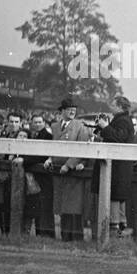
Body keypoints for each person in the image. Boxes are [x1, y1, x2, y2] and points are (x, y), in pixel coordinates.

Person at [44, 97, 92, 241]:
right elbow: (52, 146)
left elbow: (82, 149)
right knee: (62, 206)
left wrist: (69, 164)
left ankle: (75, 237)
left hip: (73, 173)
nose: (72, 112)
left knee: (74, 207)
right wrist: (49, 158)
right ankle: (64, 237)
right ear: (62, 111)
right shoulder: (54, 126)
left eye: (74, 109)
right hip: (58, 172)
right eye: (69, 109)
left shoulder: (80, 126)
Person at [93, 96, 135, 238]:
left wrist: (105, 127)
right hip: (119, 166)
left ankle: (114, 230)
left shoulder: (123, 120)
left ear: (119, 106)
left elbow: (118, 138)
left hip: (118, 166)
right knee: (118, 196)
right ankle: (119, 227)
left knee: (115, 196)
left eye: (113, 104)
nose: (110, 106)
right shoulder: (123, 119)